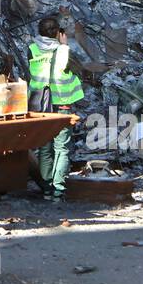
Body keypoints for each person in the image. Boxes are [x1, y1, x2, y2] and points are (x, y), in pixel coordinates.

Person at [26, 16, 84, 201]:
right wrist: (64, 44)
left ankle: (46, 188)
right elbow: (76, 70)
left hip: (41, 105)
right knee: (61, 148)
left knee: (44, 147)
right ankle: (58, 189)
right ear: (59, 33)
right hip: (62, 104)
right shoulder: (63, 51)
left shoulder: (32, 49)